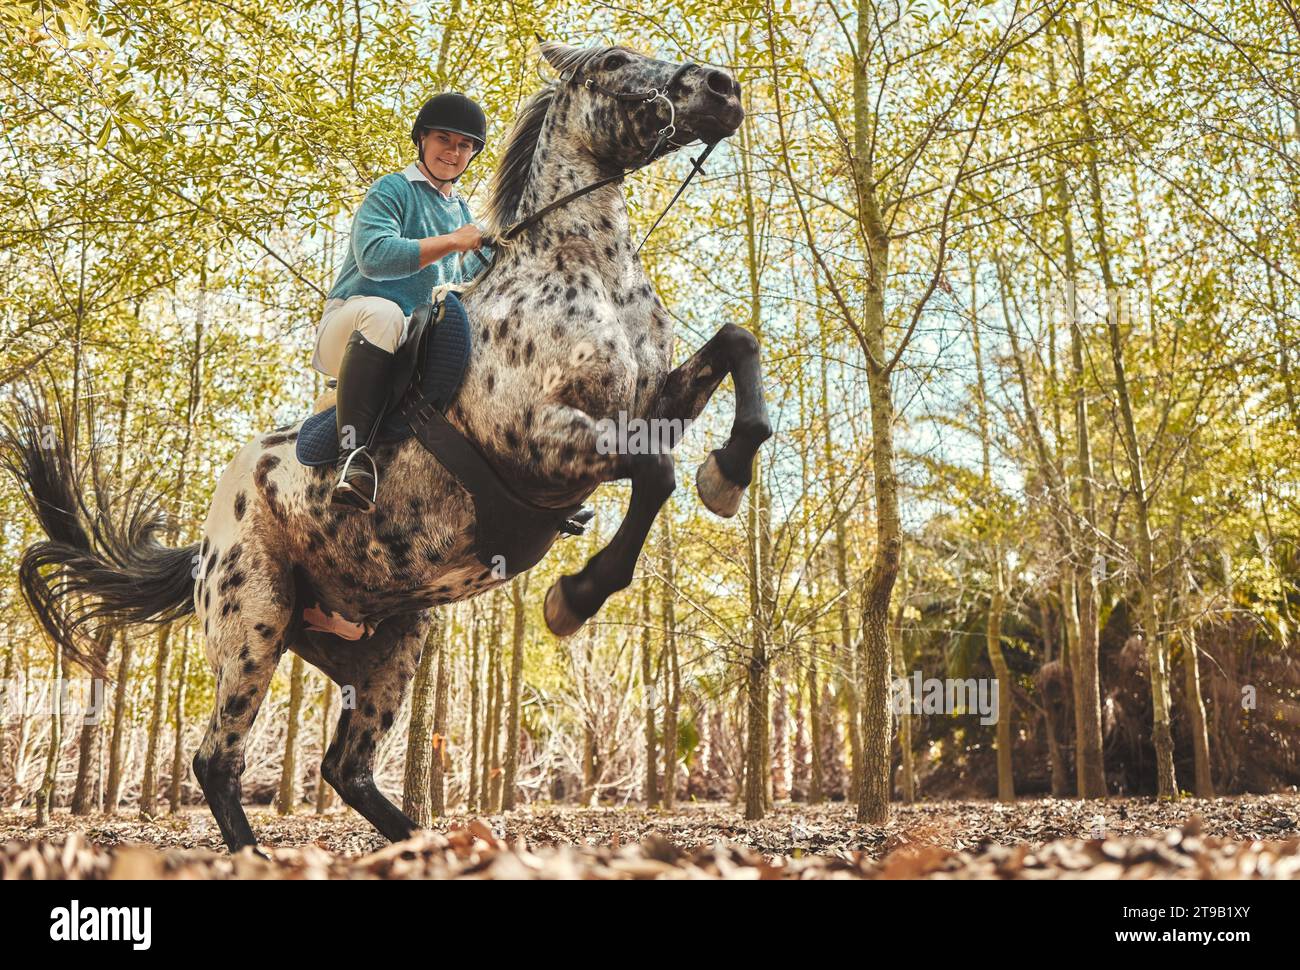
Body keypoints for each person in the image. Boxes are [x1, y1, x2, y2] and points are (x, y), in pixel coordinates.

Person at [313, 92, 495, 513]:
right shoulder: (392, 189)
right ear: (422, 139)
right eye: (443, 139)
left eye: (464, 145)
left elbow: (478, 278)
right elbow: (375, 258)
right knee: (386, 313)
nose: (453, 152)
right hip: (352, 327)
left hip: (412, 344)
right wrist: (454, 241)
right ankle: (352, 459)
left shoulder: (462, 214)